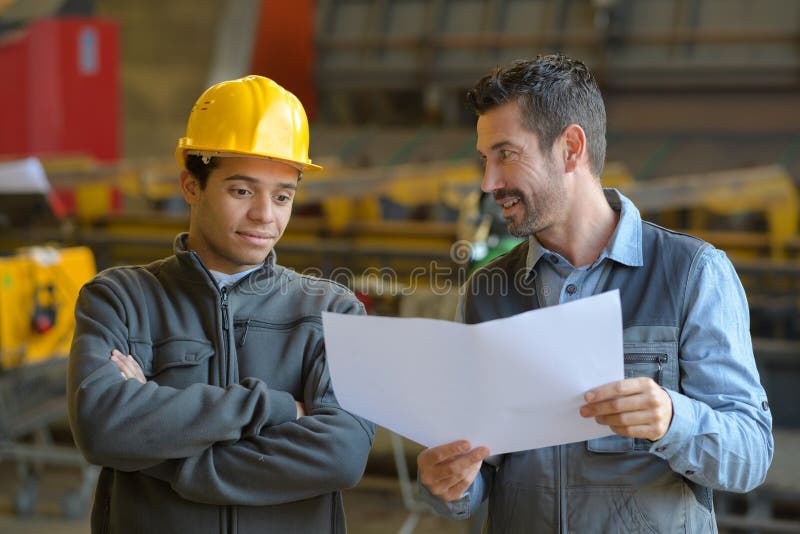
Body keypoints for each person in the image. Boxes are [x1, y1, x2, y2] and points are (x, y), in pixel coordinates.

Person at [416, 55, 773, 533]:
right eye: (485, 160)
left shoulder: (691, 273)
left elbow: (749, 454)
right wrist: (452, 484)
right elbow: (484, 474)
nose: (489, 183)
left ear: (570, 148)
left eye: (506, 154)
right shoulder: (488, 291)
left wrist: (672, 418)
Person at [68, 75, 375, 533]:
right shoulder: (120, 299)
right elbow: (101, 427)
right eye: (242, 191)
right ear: (191, 186)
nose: (265, 216)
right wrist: (278, 409)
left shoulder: (333, 313)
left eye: (283, 196)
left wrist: (170, 462)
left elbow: (342, 454)